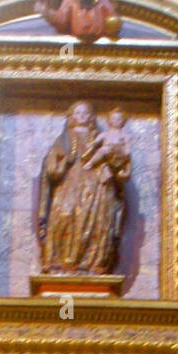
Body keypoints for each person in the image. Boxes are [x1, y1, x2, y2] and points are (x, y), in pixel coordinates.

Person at [37, 101, 130, 275]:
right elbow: (52, 165)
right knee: (65, 215)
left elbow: (119, 160)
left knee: (95, 220)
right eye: (77, 113)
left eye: (85, 113)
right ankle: (60, 261)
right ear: (71, 116)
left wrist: (114, 157)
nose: (81, 116)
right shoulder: (65, 138)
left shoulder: (101, 136)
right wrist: (63, 162)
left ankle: (91, 262)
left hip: (96, 186)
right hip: (69, 184)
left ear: (91, 117)